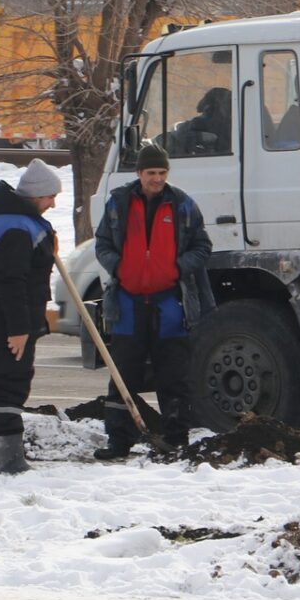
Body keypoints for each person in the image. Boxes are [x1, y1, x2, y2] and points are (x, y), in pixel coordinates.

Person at [92, 144, 215, 457]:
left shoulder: (183, 206)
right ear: (139, 174)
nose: (157, 179)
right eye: (152, 173)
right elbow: (103, 242)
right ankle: (118, 441)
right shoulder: (118, 203)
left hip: (169, 303)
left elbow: (202, 247)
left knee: (173, 375)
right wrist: (118, 267)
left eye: (162, 173)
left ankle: (176, 440)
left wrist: (176, 268)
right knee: (123, 376)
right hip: (128, 303)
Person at [0, 157, 62, 474]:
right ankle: (10, 462)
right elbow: (11, 280)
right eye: (50, 197)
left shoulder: (1, 215)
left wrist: (46, 247)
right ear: (36, 196)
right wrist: (19, 329)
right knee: (10, 384)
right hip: (8, 323)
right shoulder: (17, 227)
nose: (53, 204)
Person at [161, 86, 231, 158]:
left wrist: (199, 136)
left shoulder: (205, 123)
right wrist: (200, 136)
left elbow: (180, 132)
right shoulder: (234, 126)